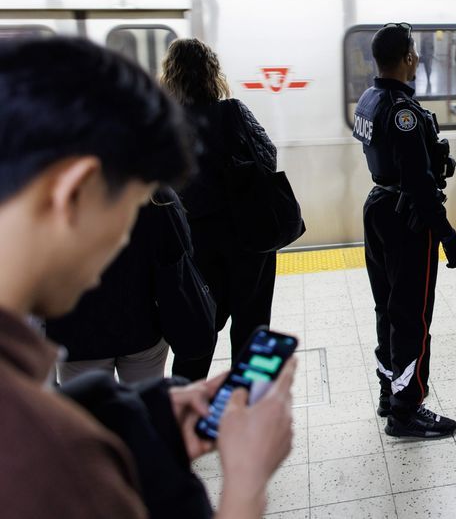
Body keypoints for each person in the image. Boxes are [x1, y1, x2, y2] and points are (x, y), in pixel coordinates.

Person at [0, 36, 295, 519]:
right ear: (73, 194)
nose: (120, 246)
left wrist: (142, 411)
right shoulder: (45, 453)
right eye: (130, 209)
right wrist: (246, 481)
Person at [352, 22, 456, 438]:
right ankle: (407, 407)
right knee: (413, 315)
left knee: (387, 308)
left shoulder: (367, 98)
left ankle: (389, 390)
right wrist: (449, 237)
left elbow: (391, 156)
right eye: (413, 52)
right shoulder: (403, 110)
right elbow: (419, 184)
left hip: (378, 207)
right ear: (408, 58)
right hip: (406, 218)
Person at [161, 39, 279, 382]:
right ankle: (251, 411)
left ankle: (183, 408)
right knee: (255, 329)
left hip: (196, 242)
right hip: (249, 237)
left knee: (200, 328)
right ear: (212, 74)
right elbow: (268, 158)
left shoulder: (167, 124)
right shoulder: (233, 112)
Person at [46, 187, 214, 384]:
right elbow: (180, 256)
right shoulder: (156, 195)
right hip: (142, 330)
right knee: (145, 408)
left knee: (87, 411)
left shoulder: (55, 195)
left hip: (80, 335)